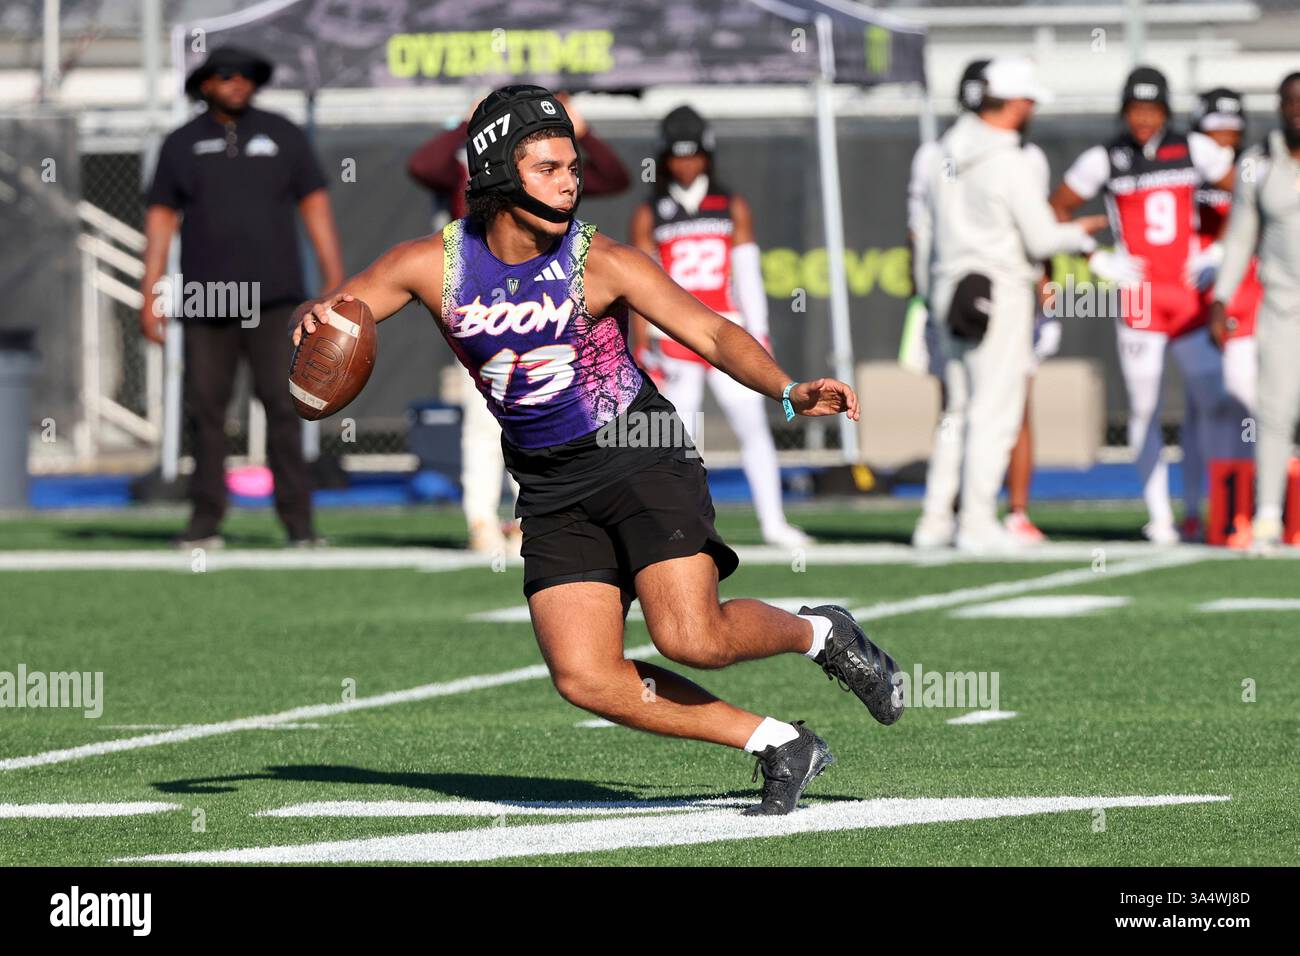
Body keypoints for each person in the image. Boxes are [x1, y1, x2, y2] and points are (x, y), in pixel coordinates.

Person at [292, 85, 903, 815]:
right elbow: (340, 310)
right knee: (586, 676)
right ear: (495, 174)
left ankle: (819, 631)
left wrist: (787, 387)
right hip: (549, 483)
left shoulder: (600, 260)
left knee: (691, 637)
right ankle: (779, 743)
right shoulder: (432, 263)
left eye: (572, 166)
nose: (570, 180)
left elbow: (708, 331)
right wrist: (313, 320)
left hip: (637, 455)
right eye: (549, 167)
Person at [408, 93, 630, 556]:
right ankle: (482, 520)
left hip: (549, 285)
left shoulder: (548, 158)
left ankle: (534, 517)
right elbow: (422, 166)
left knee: (545, 408)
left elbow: (615, 178)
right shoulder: (479, 159)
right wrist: (465, 124)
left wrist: (582, 131)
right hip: (478, 284)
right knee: (484, 413)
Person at [140, 46, 343, 548]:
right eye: (226, 75)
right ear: (204, 83)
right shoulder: (180, 143)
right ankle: (205, 521)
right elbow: (162, 218)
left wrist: (334, 275)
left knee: (282, 403)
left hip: (276, 297)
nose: (238, 82)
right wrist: (150, 292)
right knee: (206, 408)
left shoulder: (283, 134)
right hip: (208, 296)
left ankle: (299, 525)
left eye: (248, 75)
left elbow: (314, 202)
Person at [913, 58, 1106, 553]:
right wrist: (1080, 234)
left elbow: (925, 236)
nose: (1032, 108)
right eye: (1028, 100)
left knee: (958, 409)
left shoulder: (941, 153)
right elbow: (1041, 238)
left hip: (946, 288)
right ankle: (977, 521)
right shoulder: (1011, 160)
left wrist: (928, 293)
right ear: (1014, 103)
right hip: (998, 289)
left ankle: (935, 519)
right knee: (995, 411)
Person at [1051, 66, 1236, 544]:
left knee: (1208, 405)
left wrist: (1217, 247)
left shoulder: (1194, 148)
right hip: (1140, 297)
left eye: (1152, 110)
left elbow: (1247, 198)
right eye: (1136, 110)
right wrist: (1096, 257)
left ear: (1167, 111)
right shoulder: (1105, 157)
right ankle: (1160, 515)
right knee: (1145, 408)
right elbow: (1056, 208)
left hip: (1189, 292)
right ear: (1124, 110)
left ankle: (1200, 509)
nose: (1144, 120)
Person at [629, 105, 810, 550]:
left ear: (708, 155)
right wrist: (642, 344)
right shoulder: (651, 213)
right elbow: (639, 287)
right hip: (674, 337)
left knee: (753, 427)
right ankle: (683, 528)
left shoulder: (731, 205)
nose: (686, 165)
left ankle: (773, 523)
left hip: (727, 331)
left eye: (694, 156)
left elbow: (747, 275)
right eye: (677, 156)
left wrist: (759, 335)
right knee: (676, 439)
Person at [1210, 72, 1300, 548]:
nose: (1298, 110)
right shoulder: (1258, 163)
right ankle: (1268, 513)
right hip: (1283, 305)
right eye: (1291, 102)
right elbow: (1240, 237)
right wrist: (1221, 298)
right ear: (1280, 106)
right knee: (1273, 410)